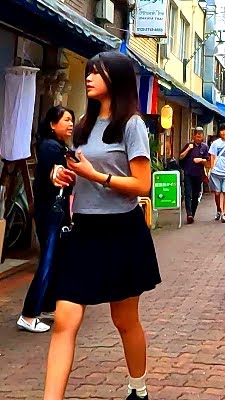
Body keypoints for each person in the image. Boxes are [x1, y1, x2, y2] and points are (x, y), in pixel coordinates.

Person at [44, 51, 161, 400]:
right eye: (89, 72)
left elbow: (142, 185)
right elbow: (77, 171)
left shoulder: (132, 125)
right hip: (83, 231)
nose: (89, 77)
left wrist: (95, 175)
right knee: (65, 319)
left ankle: (138, 388)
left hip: (122, 232)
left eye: (98, 72)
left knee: (124, 320)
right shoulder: (81, 125)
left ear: (118, 80)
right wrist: (61, 174)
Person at [17, 105, 75, 333]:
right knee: (48, 260)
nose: (70, 124)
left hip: (54, 211)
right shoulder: (50, 147)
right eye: (66, 120)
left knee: (57, 258)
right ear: (52, 124)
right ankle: (29, 314)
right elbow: (56, 172)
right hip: (50, 212)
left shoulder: (58, 146)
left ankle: (49, 304)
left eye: (71, 120)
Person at [178, 128, 210, 223]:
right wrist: (188, 149)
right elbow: (180, 157)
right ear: (194, 136)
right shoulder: (188, 145)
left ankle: (193, 213)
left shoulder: (205, 147)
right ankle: (189, 214)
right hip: (188, 173)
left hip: (198, 174)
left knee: (196, 195)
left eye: (201, 136)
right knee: (188, 194)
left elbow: (208, 161)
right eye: (197, 136)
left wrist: (201, 160)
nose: (199, 138)